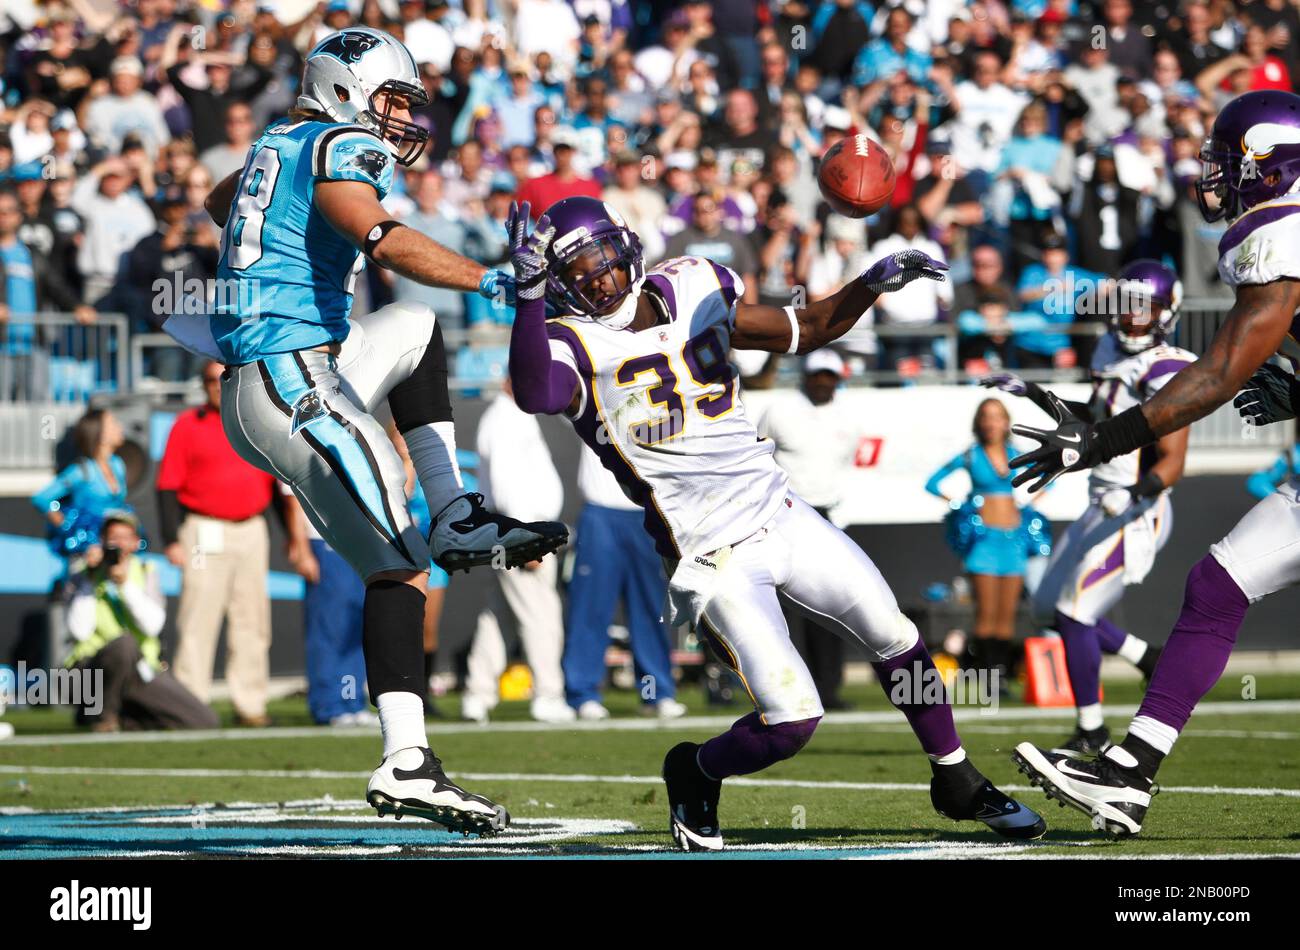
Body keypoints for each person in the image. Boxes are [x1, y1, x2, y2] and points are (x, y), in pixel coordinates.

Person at [506, 195, 1045, 851]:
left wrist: (869, 285)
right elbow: (536, 392)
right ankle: (696, 768)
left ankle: (955, 776)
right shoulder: (566, 339)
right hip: (711, 553)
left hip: (780, 509)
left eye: (604, 256)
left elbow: (807, 327)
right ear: (559, 282)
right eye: (580, 269)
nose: (601, 276)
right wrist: (529, 299)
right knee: (792, 722)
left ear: (627, 244)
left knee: (896, 635)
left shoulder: (693, 285)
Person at [187, 28, 567, 836]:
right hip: (290, 377)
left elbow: (225, 205)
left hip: (300, 363)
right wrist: (495, 278)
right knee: (400, 561)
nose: (398, 117)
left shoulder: (281, 140)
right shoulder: (334, 144)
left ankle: (455, 506)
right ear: (343, 88)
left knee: (416, 325)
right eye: (391, 98)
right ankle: (405, 761)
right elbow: (378, 232)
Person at [1007, 90, 1300, 837]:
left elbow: (1216, 374)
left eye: (1230, 159)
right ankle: (1129, 773)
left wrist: (1101, 439)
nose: (1217, 172)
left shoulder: (1282, 230)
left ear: (1270, 163)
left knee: (1215, 586)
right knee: (1215, 585)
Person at [985, 260, 1192, 754]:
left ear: (1167, 313)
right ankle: (1147, 657)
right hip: (1101, 502)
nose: (1130, 319)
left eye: (1144, 310)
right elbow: (1094, 425)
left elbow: (1174, 461)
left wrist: (1137, 495)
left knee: (1076, 613)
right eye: (1125, 308)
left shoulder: (1168, 367)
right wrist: (1036, 393)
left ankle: (1092, 732)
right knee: (1045, 608)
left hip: (1138, 507)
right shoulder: (1108, 353)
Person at [157, 361, 299, 728]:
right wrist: (171, 540)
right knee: (197, 618)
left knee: (252, 620)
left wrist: (290, 538)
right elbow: (168, 485)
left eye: (221, 378)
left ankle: (250, 703)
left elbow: (275, 486)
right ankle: (190, 703)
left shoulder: (254, 420)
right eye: (208, 379)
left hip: (251, 528)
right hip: (204, 529)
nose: (215, 386)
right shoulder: (188, 425)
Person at [461, 378, 573, 725]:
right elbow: (508, 485)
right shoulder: (504, 419)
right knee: (541, 615)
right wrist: (526, 540)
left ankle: (477, 694)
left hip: (516, 532)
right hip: (522, 533)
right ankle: (548, 696)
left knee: (500, 617)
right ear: (513, 380)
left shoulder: (513, 415)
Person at [756, 349, 859, 710]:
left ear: (838, 378)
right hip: (784, 514)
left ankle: (827, 687)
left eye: (829, 376)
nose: (822, 382)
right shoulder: (781, 411)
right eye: (817, 375)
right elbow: (757, 457)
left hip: (829, 515)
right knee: (779, 605)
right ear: (806, 376)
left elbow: (842, 465)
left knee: (829, 605)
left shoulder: (848, 417)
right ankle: (779, 687)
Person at [63, 512, 218, 732]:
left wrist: (124, 584)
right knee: (123, 645)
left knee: (203, 719)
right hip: (91, 672)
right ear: (103, 541)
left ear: (136, 542)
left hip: (140, 669)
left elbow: (153, 625)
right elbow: (79, 631)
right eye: (113, 537)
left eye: (126, 537)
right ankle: (102, 717)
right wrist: (90, 578)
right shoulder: (83, 574)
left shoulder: (145, 571)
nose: (119, 544)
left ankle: (120, 717)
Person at [562, 443, 684, 721]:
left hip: (645, 512)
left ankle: (656, 694)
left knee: (649, 610)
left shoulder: (654, 404)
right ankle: (583, 695)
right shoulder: (590, 399)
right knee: (591, 609)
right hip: (600, 513)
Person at [925, 398, 1033, 691]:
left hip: (1014, 541)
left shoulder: (1016, 454)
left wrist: (1029, 505)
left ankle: (1000, 676)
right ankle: (988, 679)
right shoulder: (971, 455)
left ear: (1006, 422)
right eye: (986, 416)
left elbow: (1050, 477)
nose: (991, 422)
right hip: (983, 541)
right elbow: (932, 482)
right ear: (979, 422)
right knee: (986, 614)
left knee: (1006, 616)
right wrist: (959, 506)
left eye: (997, 416)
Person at [32, 408, 129, 562]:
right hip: (88, 553)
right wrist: (72, 530)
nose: (120, 427)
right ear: (100, 434)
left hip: (113, 547)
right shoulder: (81, 471)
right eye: (113, 423)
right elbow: (42, 499)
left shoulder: (118, 465)